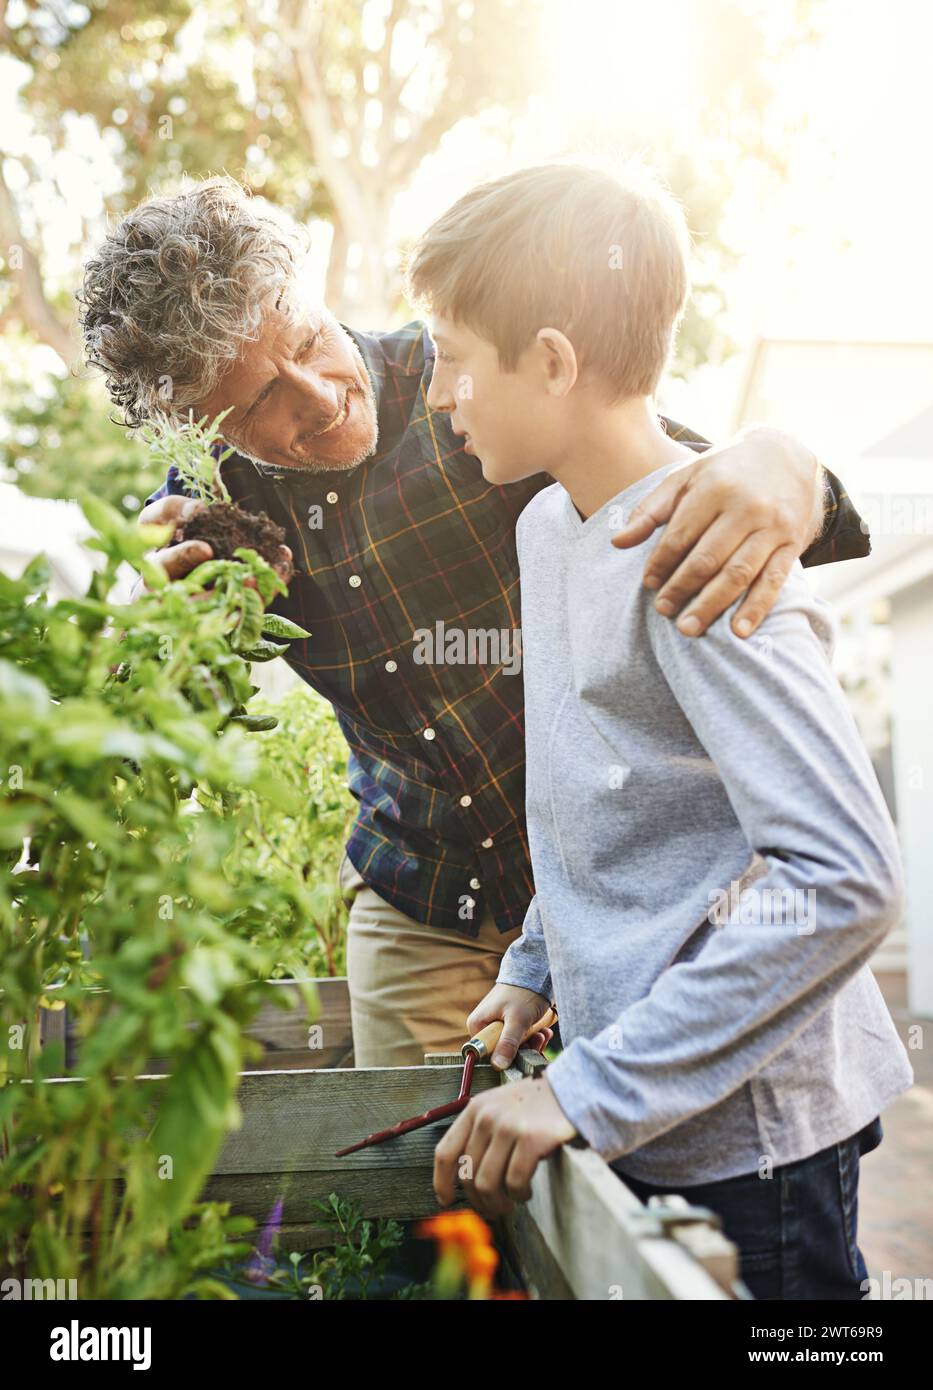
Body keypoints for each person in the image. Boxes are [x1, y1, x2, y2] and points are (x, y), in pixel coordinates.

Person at [80, 176, 870, 1068]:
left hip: (614, 883)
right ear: (198, 426)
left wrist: (785, 464)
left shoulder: (478, 381)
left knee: (624, 1158)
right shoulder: (208, 510)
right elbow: (144, 705)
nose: (316, 396)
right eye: (256, 402)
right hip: (419, 889)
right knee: (422, 1184)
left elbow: (684, 476)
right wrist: (144, 630)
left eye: (307, 339)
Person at [416, 162, 913, 1300]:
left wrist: (584, 1093)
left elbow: (844, 879)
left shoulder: (703, 549)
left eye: (451, 353)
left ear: (550, 360)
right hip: (646, 1108)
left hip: (757, 1148)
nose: (438, 391)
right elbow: (594, 781)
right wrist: (537, 966)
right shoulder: (549, 526)